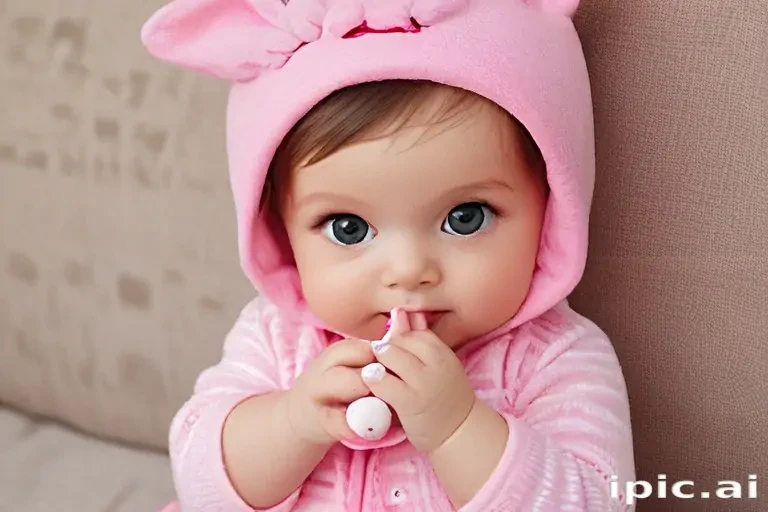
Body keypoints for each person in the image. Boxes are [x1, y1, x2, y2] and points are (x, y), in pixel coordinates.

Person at [141, 0, 635, 510]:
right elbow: (199, 483)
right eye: (348, 229)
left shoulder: (551, 359)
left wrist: (457, 429)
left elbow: (598, 502)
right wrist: (293, 422)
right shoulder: (278, 340)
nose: (407, 271)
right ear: (279, 232)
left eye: (466, 217)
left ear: (552, 210)